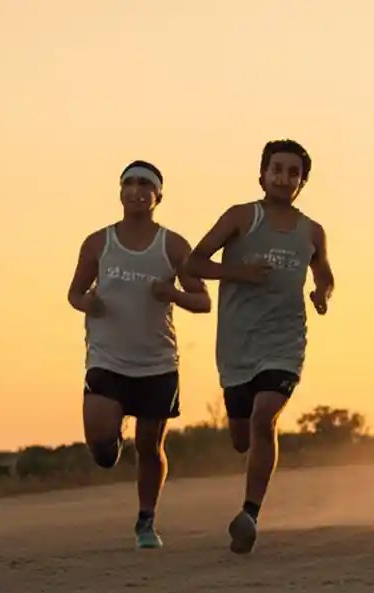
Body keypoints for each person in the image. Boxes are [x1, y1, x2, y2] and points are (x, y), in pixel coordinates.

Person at [186, 139, 334, 554]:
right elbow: (194, 263)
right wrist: (239, 272)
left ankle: (249, 513)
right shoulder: (241, 217)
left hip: (285, 340)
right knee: (241, 435)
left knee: (265, 415)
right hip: (237, 343)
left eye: (293, 173)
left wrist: (323, 293)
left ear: (303, 182)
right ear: (262, 175)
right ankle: (252, 476)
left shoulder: (312, 231)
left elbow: (325, 273)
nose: (284, 179)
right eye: (277, 170)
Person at [66, 160, 211, 550]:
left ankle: (146, 520)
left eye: (145, 184)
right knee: (99, 444)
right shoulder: (98, 243)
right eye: (129, 182)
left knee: (149, 447)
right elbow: (74, 293)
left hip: (156, 363)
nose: (136, 190)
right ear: (120, 192)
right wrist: (88, 303)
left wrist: (174, 295)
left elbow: (203, 301)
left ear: (158, 196)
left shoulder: (173, 245)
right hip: (107, 358)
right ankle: (109, 442)